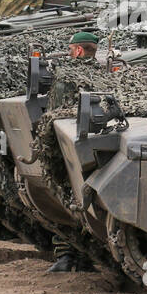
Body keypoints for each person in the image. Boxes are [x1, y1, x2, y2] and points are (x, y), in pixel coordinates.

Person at [47, 30, 102, 273]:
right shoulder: (107, 73)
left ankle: (66, 256)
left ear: (78, 51)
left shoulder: (66, 79)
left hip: (70, 150)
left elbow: (54, 118)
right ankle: (87, 256)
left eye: (70, 50)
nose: (69, 54)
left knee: (65, 201)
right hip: (98, 153)